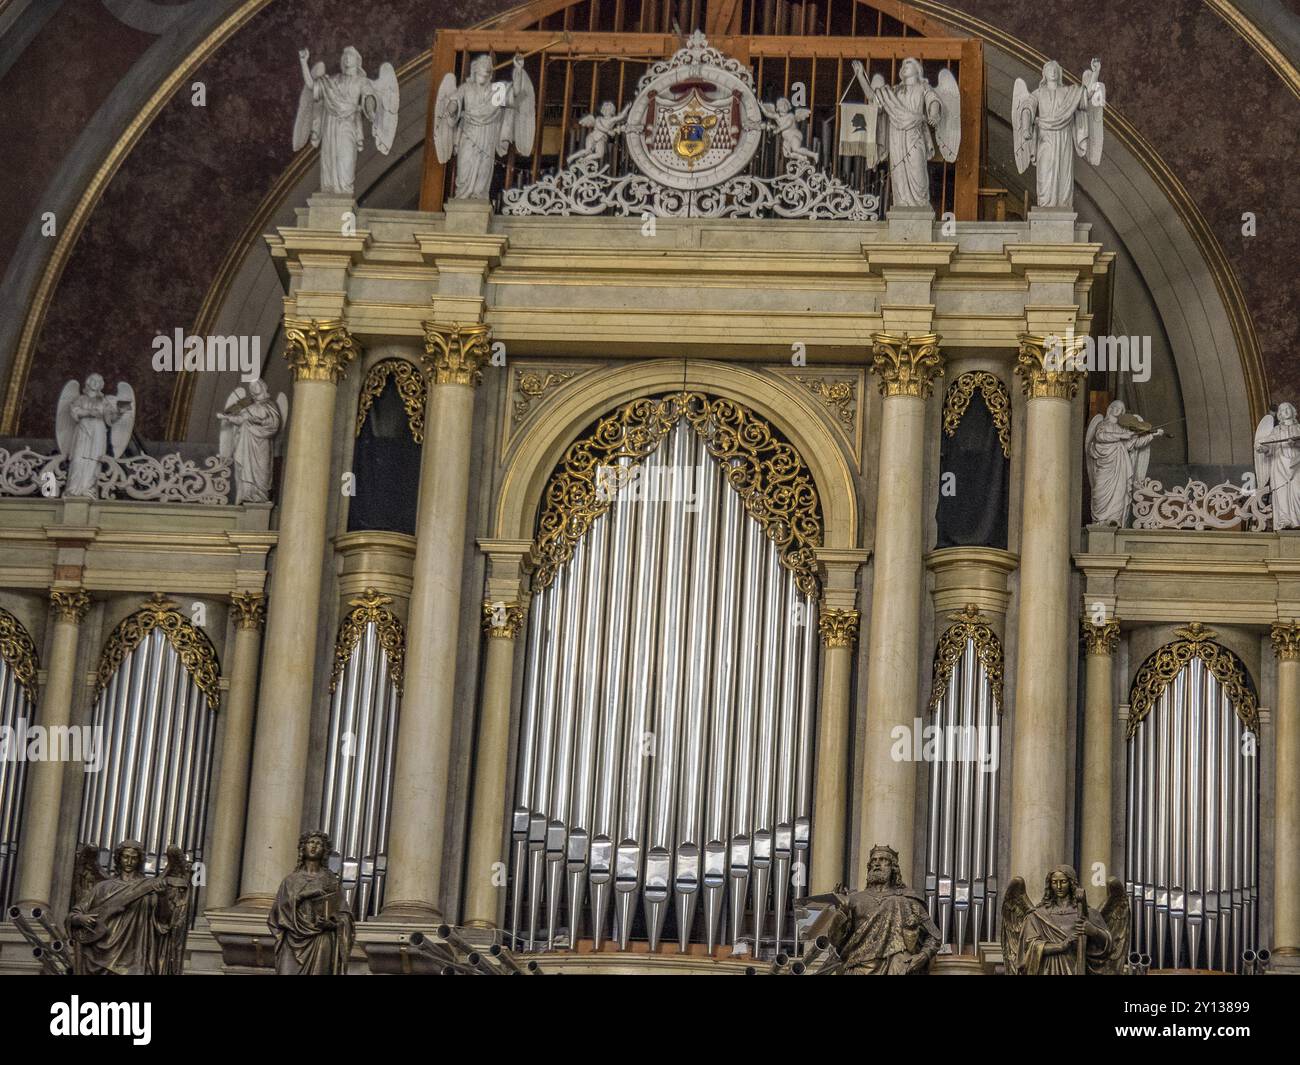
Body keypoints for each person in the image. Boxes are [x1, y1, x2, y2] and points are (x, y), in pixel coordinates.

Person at [268, 829, 355, 974]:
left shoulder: (330, 881)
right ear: (303, 847)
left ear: (324, 851)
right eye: (310, 842)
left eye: (319, 844)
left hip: (320, 940)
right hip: (292, 939)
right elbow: (277, 915)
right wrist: (303, 895)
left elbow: (345, 915)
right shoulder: (290, 881)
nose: (314, 846)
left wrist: (332, 924)